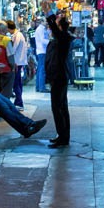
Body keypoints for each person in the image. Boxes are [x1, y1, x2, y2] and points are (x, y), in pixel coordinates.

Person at [45, 13, 73, 148]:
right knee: (60, 107)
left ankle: (62, 137)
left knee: (58, 107)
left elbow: (55, 30)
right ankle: (62, 135)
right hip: (56, 76)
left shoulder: (63, 38)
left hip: (59, 76)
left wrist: (49, 14)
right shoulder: (59, 39)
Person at [7, 20, 29, 108]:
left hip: (17, 62)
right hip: (18, 61)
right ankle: (18, 101)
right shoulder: (17, 35)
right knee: (17, 82)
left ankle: (19, 102)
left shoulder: (18, 35)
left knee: (16, 82)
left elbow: (13, 48)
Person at [0, 21, 14, 98]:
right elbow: (10, 56)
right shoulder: (6, 40)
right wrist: (12, 67)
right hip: (5, 69)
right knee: (6, 92)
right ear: (4, 30)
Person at [34, 16, 51, 93]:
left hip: (42, 51)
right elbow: (42, 40)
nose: (47, 23)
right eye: (45, 21)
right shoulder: (40, 29)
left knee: (40, 69)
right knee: (42, 69)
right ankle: (41, 87)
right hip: (42, 51)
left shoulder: (43, 29)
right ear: (42, 21)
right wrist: (50, 42)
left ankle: (38, 86)